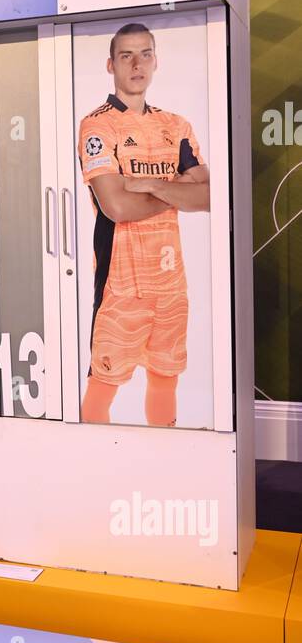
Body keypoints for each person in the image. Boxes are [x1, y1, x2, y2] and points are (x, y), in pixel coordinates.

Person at [77, 22, 210, 428]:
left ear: (156, 61)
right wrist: (176, 190)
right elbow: (116, 205)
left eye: (145, 54)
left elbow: (208, 197)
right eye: (126, 56)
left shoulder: (177, 125)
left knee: (165, 379)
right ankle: (91, 467)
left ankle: (162, 466)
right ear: (110, 65)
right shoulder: (98, 126)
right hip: (122, 285)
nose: (137, 65)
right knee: (103, 386)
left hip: (171, 284)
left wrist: (150, 183)